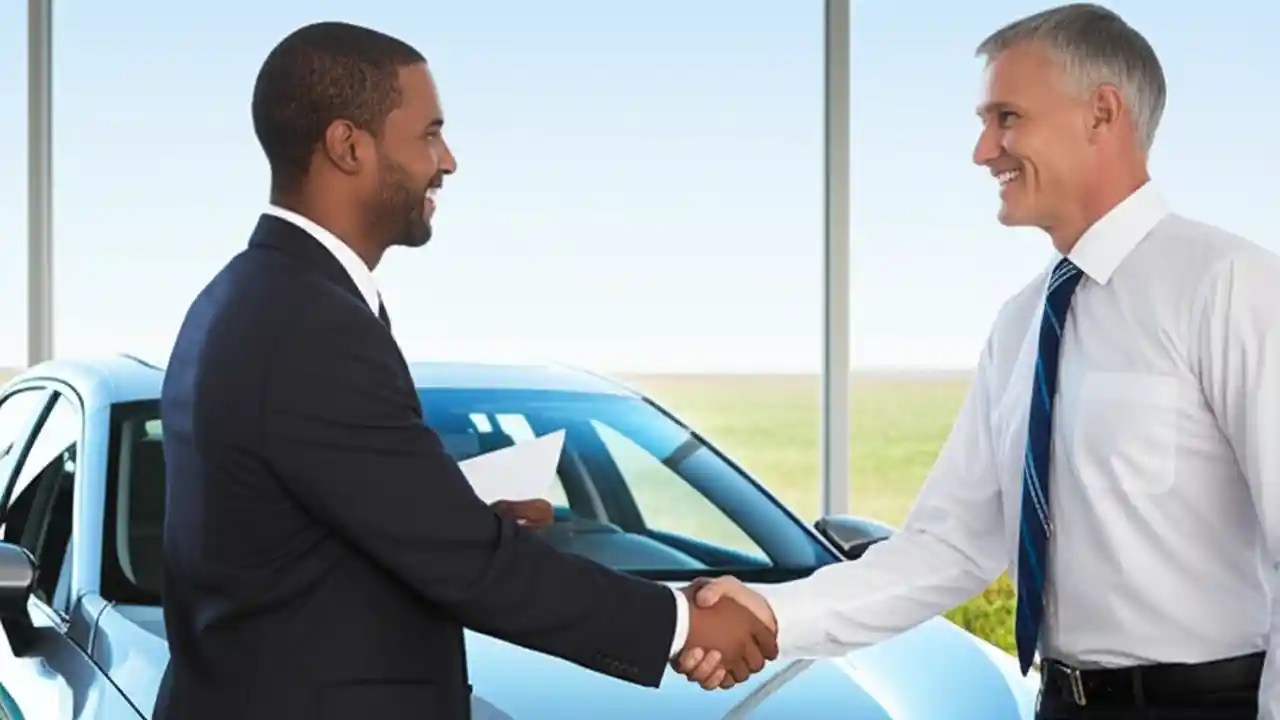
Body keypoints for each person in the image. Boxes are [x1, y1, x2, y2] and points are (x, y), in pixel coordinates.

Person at [154, 21, 776, 720]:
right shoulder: (308, 323)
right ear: (348, 146)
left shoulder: (253, 297)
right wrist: (682, 623)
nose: (446, 161)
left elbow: (313, 529)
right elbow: (468, 567)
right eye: (428, 134)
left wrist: (457, 514)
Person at [674, 4, 1280, 719]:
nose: (983, 151)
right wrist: (772, 614)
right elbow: (949, 546)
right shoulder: (1024, 322)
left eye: (1007, 118)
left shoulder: (1233, 285)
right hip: (1059, 703)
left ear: (1101, 113)